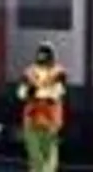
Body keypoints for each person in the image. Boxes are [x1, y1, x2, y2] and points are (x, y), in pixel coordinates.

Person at [17, 42, 67, 172]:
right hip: (38, 122)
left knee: (44, 161)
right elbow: (21, 93)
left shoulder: (58, 72)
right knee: (41, 161)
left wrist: (34, 92)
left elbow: (56, 92)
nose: (43, 58)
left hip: (45, 123)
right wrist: (39, 92)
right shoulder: (30, 72)